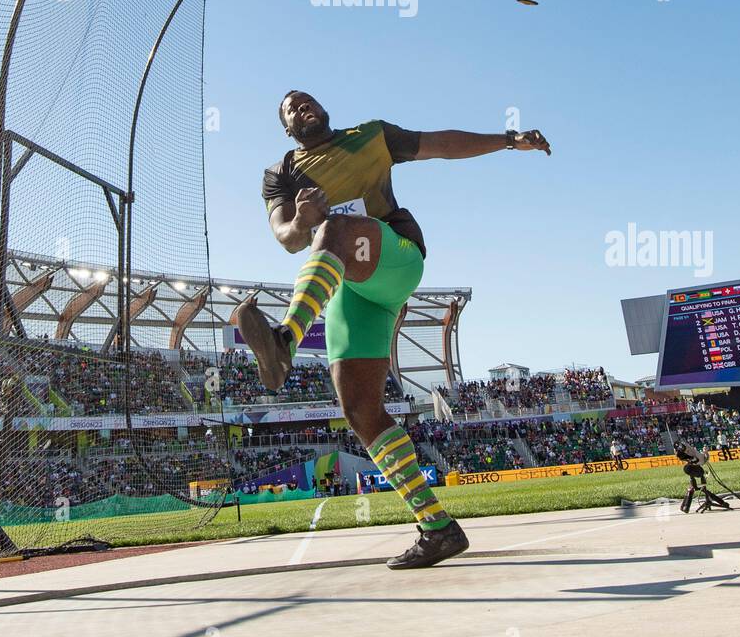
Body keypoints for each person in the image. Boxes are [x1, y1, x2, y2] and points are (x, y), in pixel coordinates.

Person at [234, 91, 551, 570]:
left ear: (324, 107)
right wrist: (300, 219)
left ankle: (285, 342)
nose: (303, 107)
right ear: (286, 128)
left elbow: (442, 144)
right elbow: (286, 237)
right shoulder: (280, 174)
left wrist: (509, 140)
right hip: (349, 293)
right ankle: (437, 528)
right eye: (291, 108)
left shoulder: (371, 136)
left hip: (395, 254)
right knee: (361, 410)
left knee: (337, 229)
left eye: (308, 100)